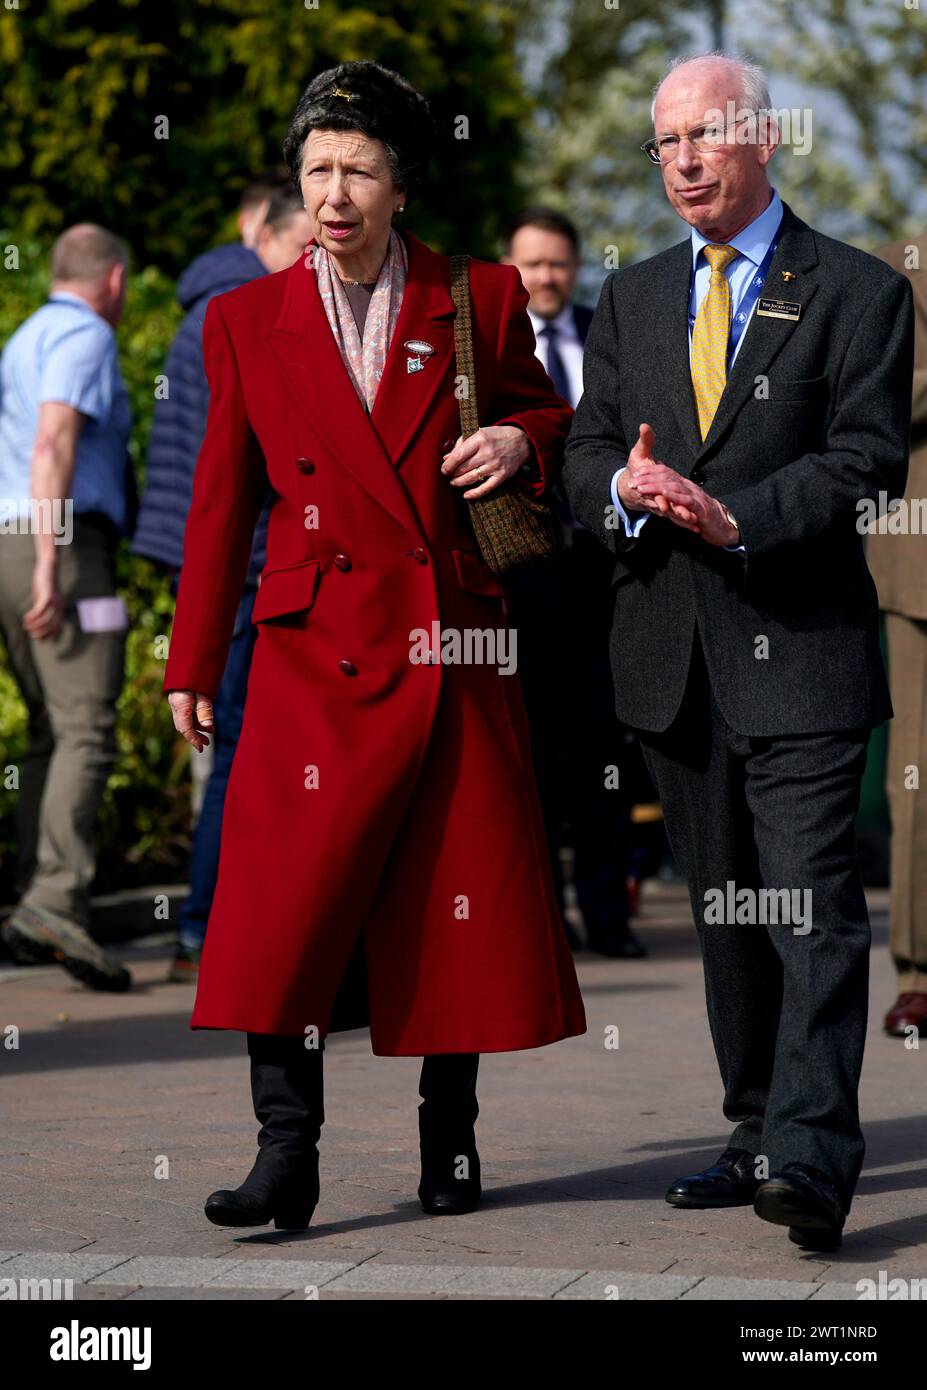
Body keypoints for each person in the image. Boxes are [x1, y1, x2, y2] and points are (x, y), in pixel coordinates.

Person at [162, 60, 586, 1231]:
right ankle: (282, 1151)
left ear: (401, 184)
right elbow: (219, 505)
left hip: (450, 642)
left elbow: (552, 414)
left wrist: (513, 436)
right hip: (308, 650)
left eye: (357, 169)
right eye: (316, 171)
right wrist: (191, 664)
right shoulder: (244, 319)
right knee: (279, 910)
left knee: (452, 900)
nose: (334, 193)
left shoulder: (478, 295)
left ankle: (449, 1145)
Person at [562, 52, 914, 1251]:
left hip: (802, 647)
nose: (682, 162)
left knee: (812, 904)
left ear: (764, 136)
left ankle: (815, 1158)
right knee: (727, 909)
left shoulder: (860, 291)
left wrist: (739, 516)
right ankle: (757, 1127)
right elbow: (584, 451)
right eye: (663, 145)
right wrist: (621, 484)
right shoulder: (633, 296)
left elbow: (870, 457)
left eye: (702, 137)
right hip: (673, 655)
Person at [132, 180, 312, 982]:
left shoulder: (203, 304)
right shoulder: (245, 310)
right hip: (243, 565)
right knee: (238, 749)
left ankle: (207, 929)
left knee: (231, 749)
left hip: (212, 559)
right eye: (304, 245)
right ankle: (205, 931)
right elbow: (242, 463)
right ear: (264, 238)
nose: (316, 260)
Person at [501, 207, 644, 957]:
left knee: (603, 753)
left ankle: (609, 918)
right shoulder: (489, 348)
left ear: (577, 265)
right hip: (519, 579)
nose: (545, 278)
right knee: (528, 755)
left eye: (557, 263)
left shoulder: (605, 337)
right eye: (530, 264)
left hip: (601, 573)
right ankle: (541, 924)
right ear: (508, 267)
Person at [0, 224, 137, 992]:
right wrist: (53, 562)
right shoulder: (85, 336)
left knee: (52, 730)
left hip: (10, 540)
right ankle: (55, 899)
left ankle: (35, 894)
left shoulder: (26, 334)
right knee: (89, 724)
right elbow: (53, 443)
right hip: (64, 546)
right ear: (113, 280)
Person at [868, 233, 927, 1041]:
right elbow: (874, 399)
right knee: (916, 782)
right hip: (920, 569)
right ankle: (918, 971)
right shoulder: (897, 264)